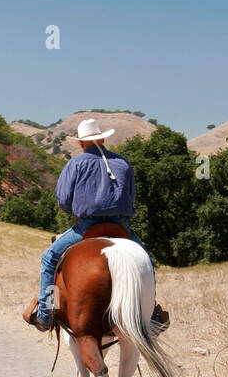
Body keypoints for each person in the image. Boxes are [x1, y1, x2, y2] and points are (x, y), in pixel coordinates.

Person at [23, 118, 169, 332]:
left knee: (49, 259)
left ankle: (46, 314)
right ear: (102, 138)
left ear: (81, 143)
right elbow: (131, 196)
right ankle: (152, 314)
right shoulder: (123, 163)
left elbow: (63, 199)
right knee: (146, 261)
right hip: (121, 226)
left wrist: (75, 209)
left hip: (87, 227)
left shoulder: (75, 164)